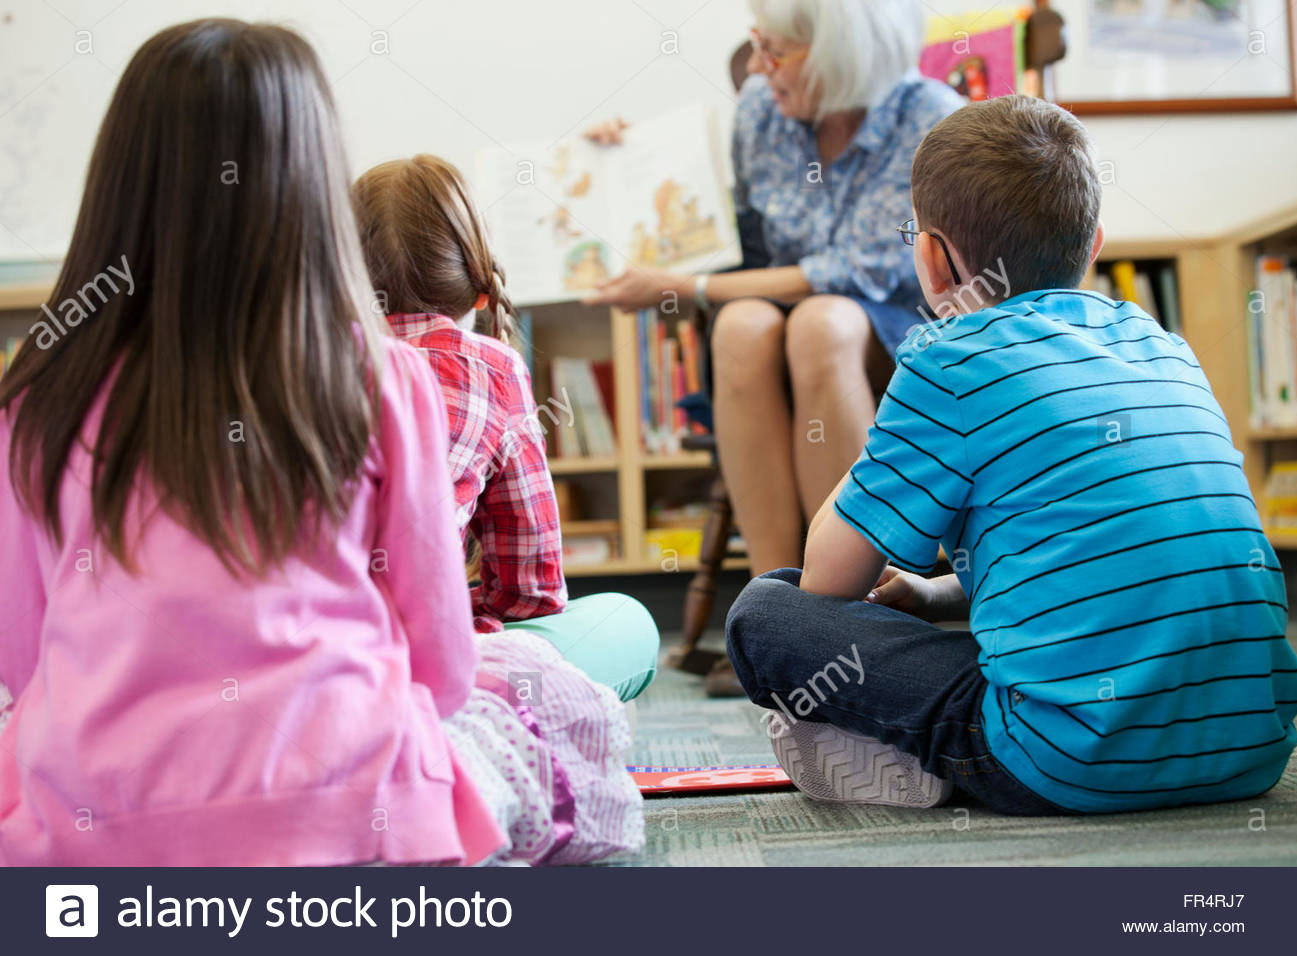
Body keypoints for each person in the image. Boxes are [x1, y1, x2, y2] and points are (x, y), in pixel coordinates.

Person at [0, 19, 639, 866]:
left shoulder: (38, 400)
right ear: (311, 195)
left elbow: (22, 662)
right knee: (621, 631)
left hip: (96, 837)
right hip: (360, 823)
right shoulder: (385, 381)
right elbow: (444, 673)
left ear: (116, 188)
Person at [725, 95, 1297, 814]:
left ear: (931, 258)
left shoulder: (950, 360)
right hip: (1250, 746)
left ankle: (931, 759)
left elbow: (827, 580)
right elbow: (1104, 552)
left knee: (765, 611)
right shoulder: (1162, 344)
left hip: (1064, 760)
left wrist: (890, 441)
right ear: (1092, 247)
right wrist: (936, 596)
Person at [586, 0, 961, 695]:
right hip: (777, 325)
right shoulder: (761, 108)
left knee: (822, 319)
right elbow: (729, 240)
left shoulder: (928, 113)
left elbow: (861, 270)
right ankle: (775, 620)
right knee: (741, 325)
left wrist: (686, 283)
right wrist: (624, 162)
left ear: (840, 55)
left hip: (890, 332)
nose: (758, 66)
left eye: (775, 49)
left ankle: (849, 616)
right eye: (757, 44)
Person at [352, 154, 659, 704]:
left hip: (306, 654)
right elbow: (530, 590)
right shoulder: (490, 367)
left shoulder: (302, 364)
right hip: (422, 673)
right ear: (478, 284)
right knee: (628, 620)